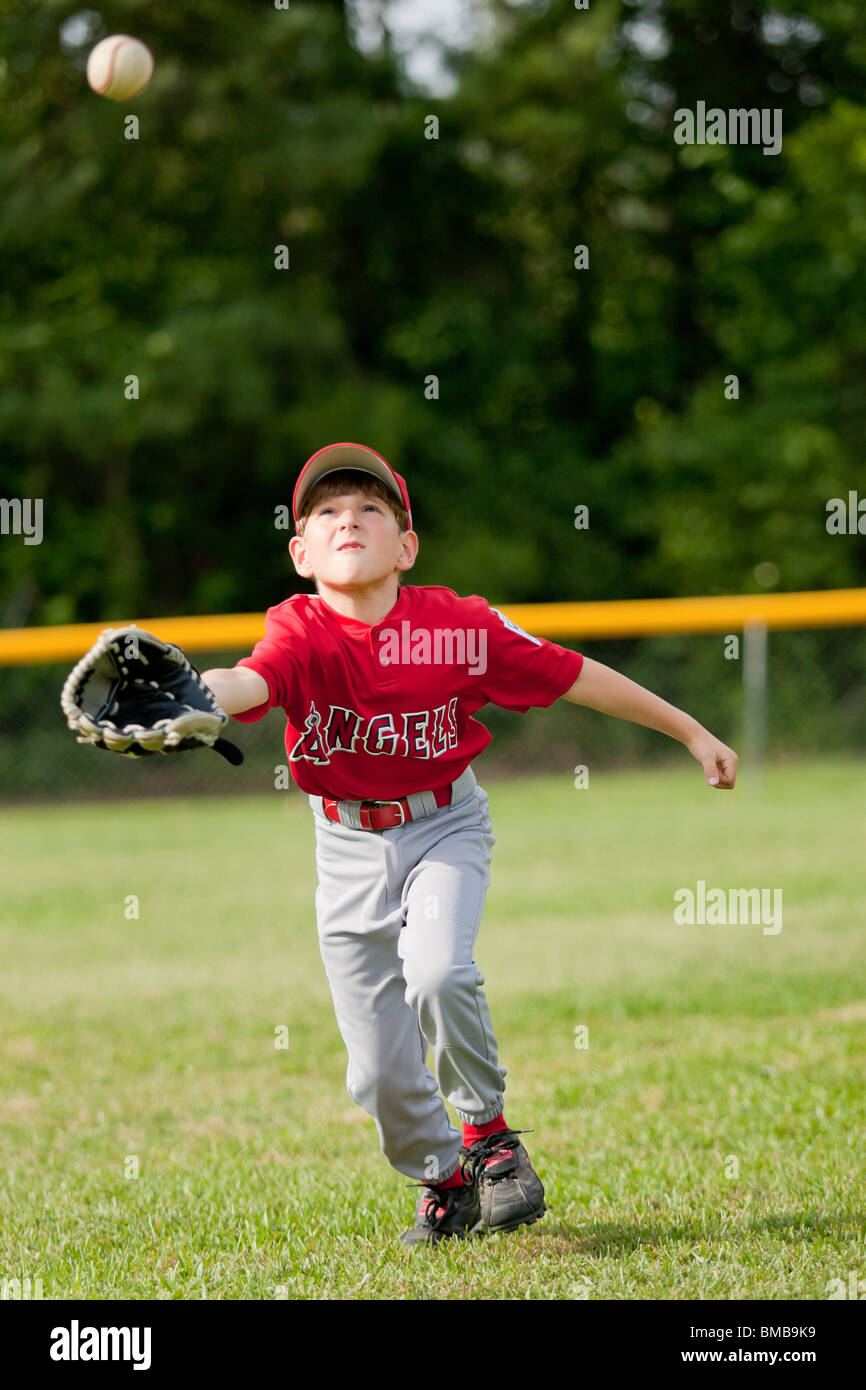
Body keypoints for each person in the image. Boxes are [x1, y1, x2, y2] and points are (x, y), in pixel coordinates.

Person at [201, 442, 738, 1249]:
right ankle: (444, 1183)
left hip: (443, 824)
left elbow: (574, 673)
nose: (350, 519)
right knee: (377, 1075)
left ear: (406, 547)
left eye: (371, 509)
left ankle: (489, 1136)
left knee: (439, 969)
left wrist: (692, 731)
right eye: (328, 512)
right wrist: (192, 697)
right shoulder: (299, 630)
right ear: (300, 551)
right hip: (345, 846)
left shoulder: (456, 627)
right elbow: (248, 681)